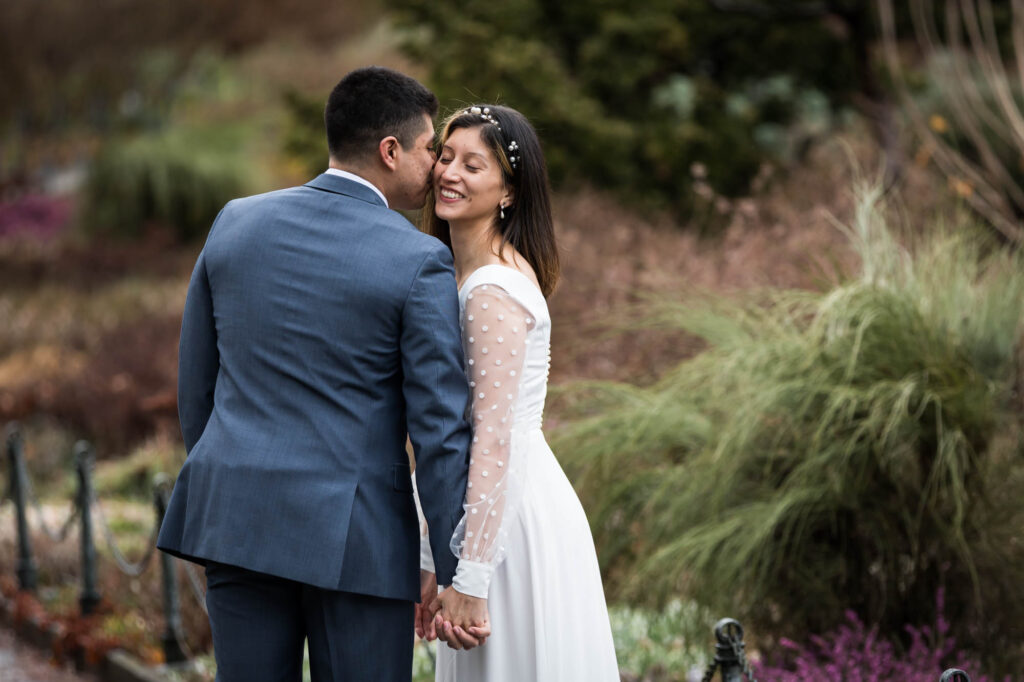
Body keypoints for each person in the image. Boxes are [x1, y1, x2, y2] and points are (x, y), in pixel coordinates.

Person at [156, 66, 484, 682]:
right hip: (357, 543)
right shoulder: (418, 260)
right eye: (428, 150)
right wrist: (454, 566)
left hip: (237, 522)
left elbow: (196, 384)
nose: (436, 166)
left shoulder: (235, 221)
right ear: (391, 151)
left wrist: (232, 475)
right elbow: (439, 433)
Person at [415, 105, 620, 681]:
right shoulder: (465, 271)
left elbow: (493, 439)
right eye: (445, 157)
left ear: (508, 190)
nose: (449, 173)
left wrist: (472, 575)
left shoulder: (490, 288)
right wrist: (434, 558)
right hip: (483, 513)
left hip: (504, 523)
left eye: (473, 165)